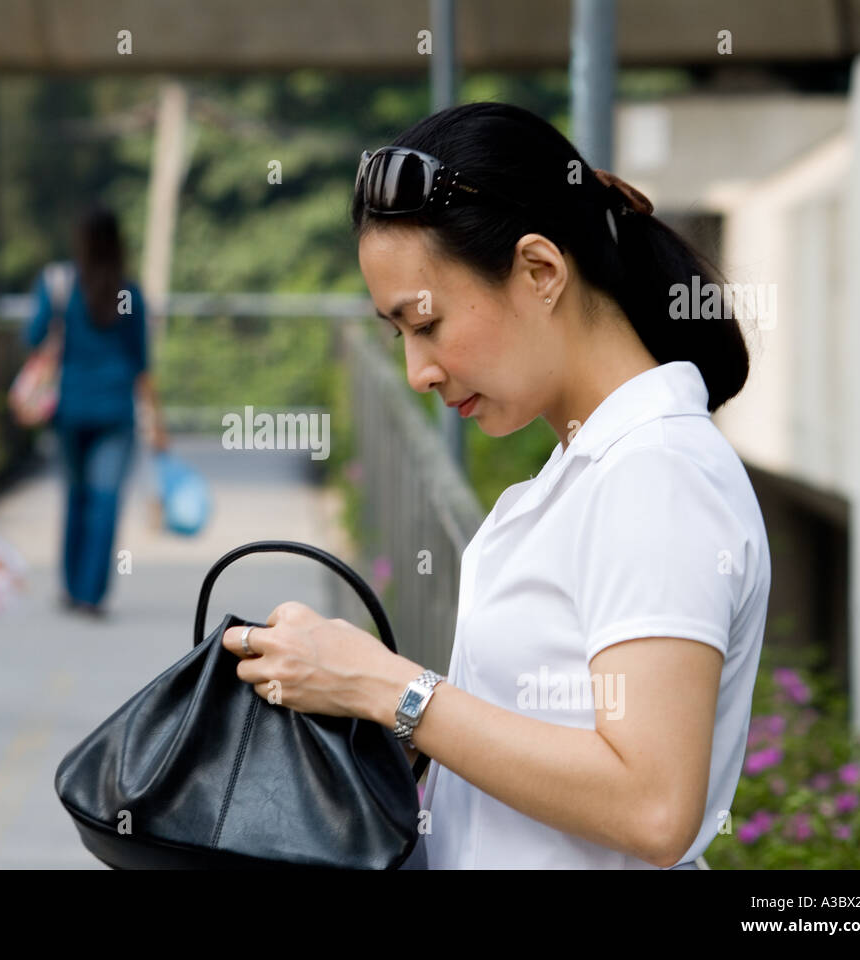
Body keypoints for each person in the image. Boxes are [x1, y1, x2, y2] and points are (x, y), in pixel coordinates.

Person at [220, 101, 771, 869]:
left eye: (427, 323)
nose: (419, 372)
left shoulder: (657, 476)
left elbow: (653, 804)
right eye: (399, 335)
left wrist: (391, 689)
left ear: (540, 271)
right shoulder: (596, 468)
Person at [25, 204, 168, 617]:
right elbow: (141, 363)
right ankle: (91, 593)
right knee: (105, 500)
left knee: (75, 496)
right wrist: (157, 422)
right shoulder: (129, 293)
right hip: (115, 411)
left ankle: (70, 586)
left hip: (69, 409)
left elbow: (33, 336)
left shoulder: (58, 285)